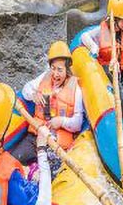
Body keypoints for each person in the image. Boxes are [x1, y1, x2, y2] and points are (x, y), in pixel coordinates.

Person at [10, 41, 84, 171]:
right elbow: (26, 89)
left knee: (47, 173)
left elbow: (78, 123)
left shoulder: (76, 90)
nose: (55, 74)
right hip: (36, 136)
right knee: (13, 162)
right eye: (53, 68)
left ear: (67, 70)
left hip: (56, 144)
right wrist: (34, 95)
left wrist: (61, 121)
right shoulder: (45, 77)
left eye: (60, 70)